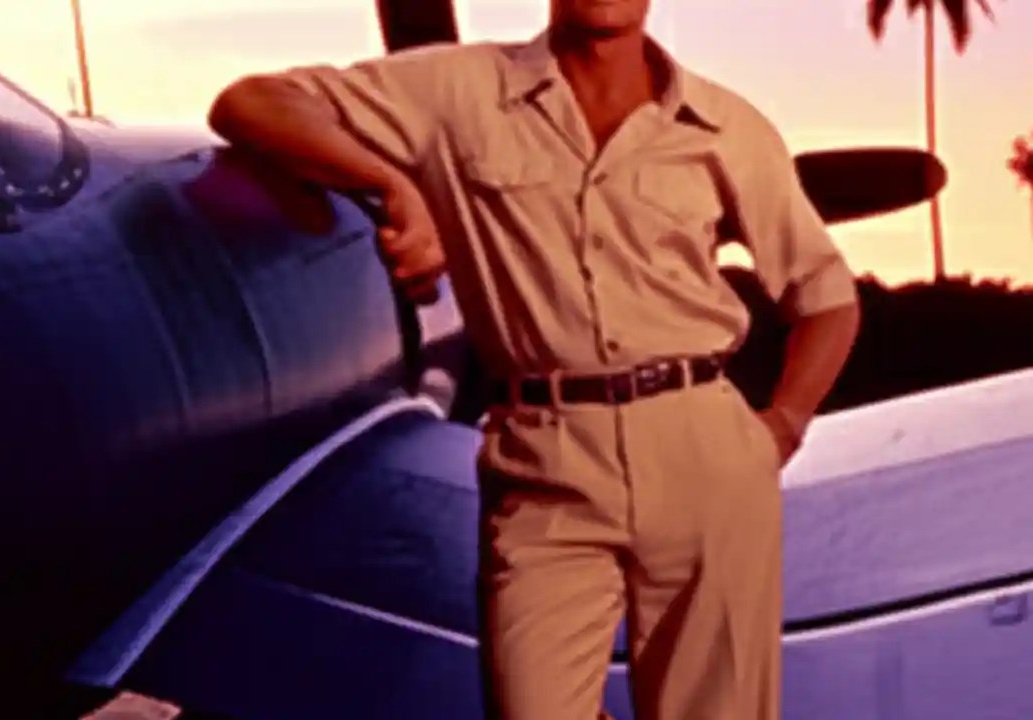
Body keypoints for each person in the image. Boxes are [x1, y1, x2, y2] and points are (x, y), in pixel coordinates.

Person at [207, 0, 861, 717]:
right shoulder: (456, 89)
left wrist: (784, 424)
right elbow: (250, 104)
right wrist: (395, 185)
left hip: (704, 449)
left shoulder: (727, 126)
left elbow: (826, 298)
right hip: (544, 464)